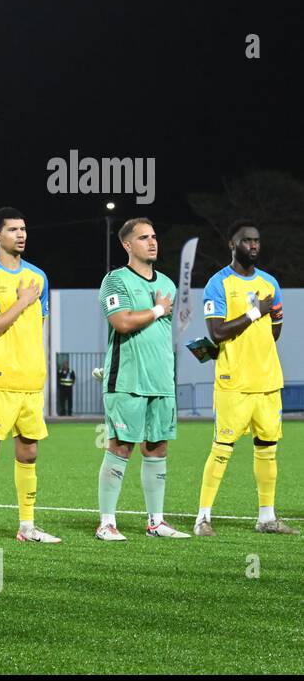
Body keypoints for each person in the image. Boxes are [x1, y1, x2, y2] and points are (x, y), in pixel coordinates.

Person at [0, 207, 60, 545]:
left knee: (29, 452)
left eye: (23, 229)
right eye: (13, 230)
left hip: (31, 380)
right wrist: (21, 302)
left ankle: (27, 526)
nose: (21, 234)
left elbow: (38, 327)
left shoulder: (39, 277)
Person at [195, 220, 293, 536]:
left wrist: (260, 325)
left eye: (257, 241)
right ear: (232, 244)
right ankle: (202, 518)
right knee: (222, 448)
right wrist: (254, 313)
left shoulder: (270, 283)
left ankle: (266, 517)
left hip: (267, 381)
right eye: (246, 241)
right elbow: (217, 331)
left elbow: (275, 328)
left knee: (267, 447)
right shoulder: (218, 284)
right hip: (233, 381)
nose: (253, 246)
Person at [95, 218, 188, 540]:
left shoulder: (168, 284)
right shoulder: (115, 280)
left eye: (154, 236)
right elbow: (121, 322)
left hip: (161, 382)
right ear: (127, 245)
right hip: (127, 380)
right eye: (144, 237)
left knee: (157, 448)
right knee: (120, 447)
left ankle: (156, 522)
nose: (152, 242)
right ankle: (107, 522)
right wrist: (159, 310)